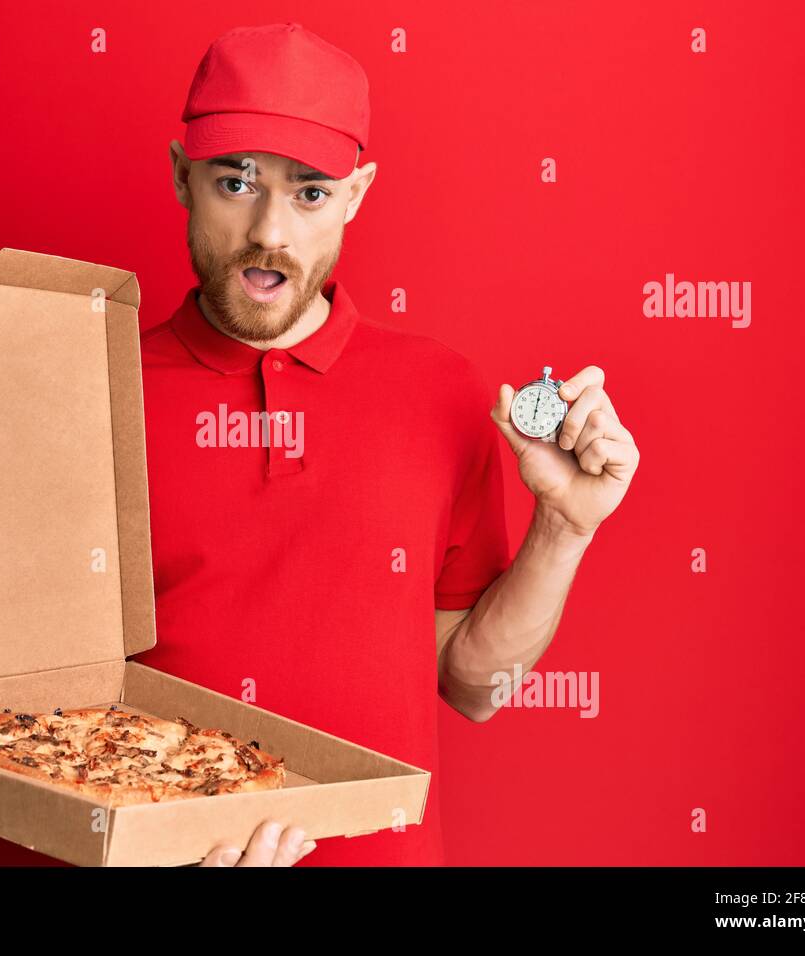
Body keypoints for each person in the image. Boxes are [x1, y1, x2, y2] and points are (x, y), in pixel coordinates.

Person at [135, 22, 640, 867]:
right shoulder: (98, 387)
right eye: (235, 182)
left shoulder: (441, 392)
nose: (270, 233)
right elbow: (43, 702)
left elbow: (474, 687)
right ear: (183, 177)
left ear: (358, 193)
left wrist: (566, 528)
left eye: (310, 192)